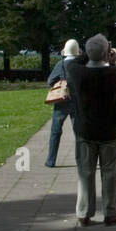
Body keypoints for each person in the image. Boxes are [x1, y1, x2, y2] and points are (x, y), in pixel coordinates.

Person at [65, 33, 116, 226]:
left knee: (85, 173)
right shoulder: (115, 73)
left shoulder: (78, 73)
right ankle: (110, 212)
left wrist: (91, 51)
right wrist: (109, 58)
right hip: (110, 130)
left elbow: (73, 62)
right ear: (107, 53)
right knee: (109, 173)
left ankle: (84, 212)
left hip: (85, 130)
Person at [44, 39, 80, 168]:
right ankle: (81, 161)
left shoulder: (61, 64)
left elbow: (50, 81)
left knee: (56, 131)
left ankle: (51, 160)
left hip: (62, 101)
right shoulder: (81, 65)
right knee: (79, 133)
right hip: (78, 102)